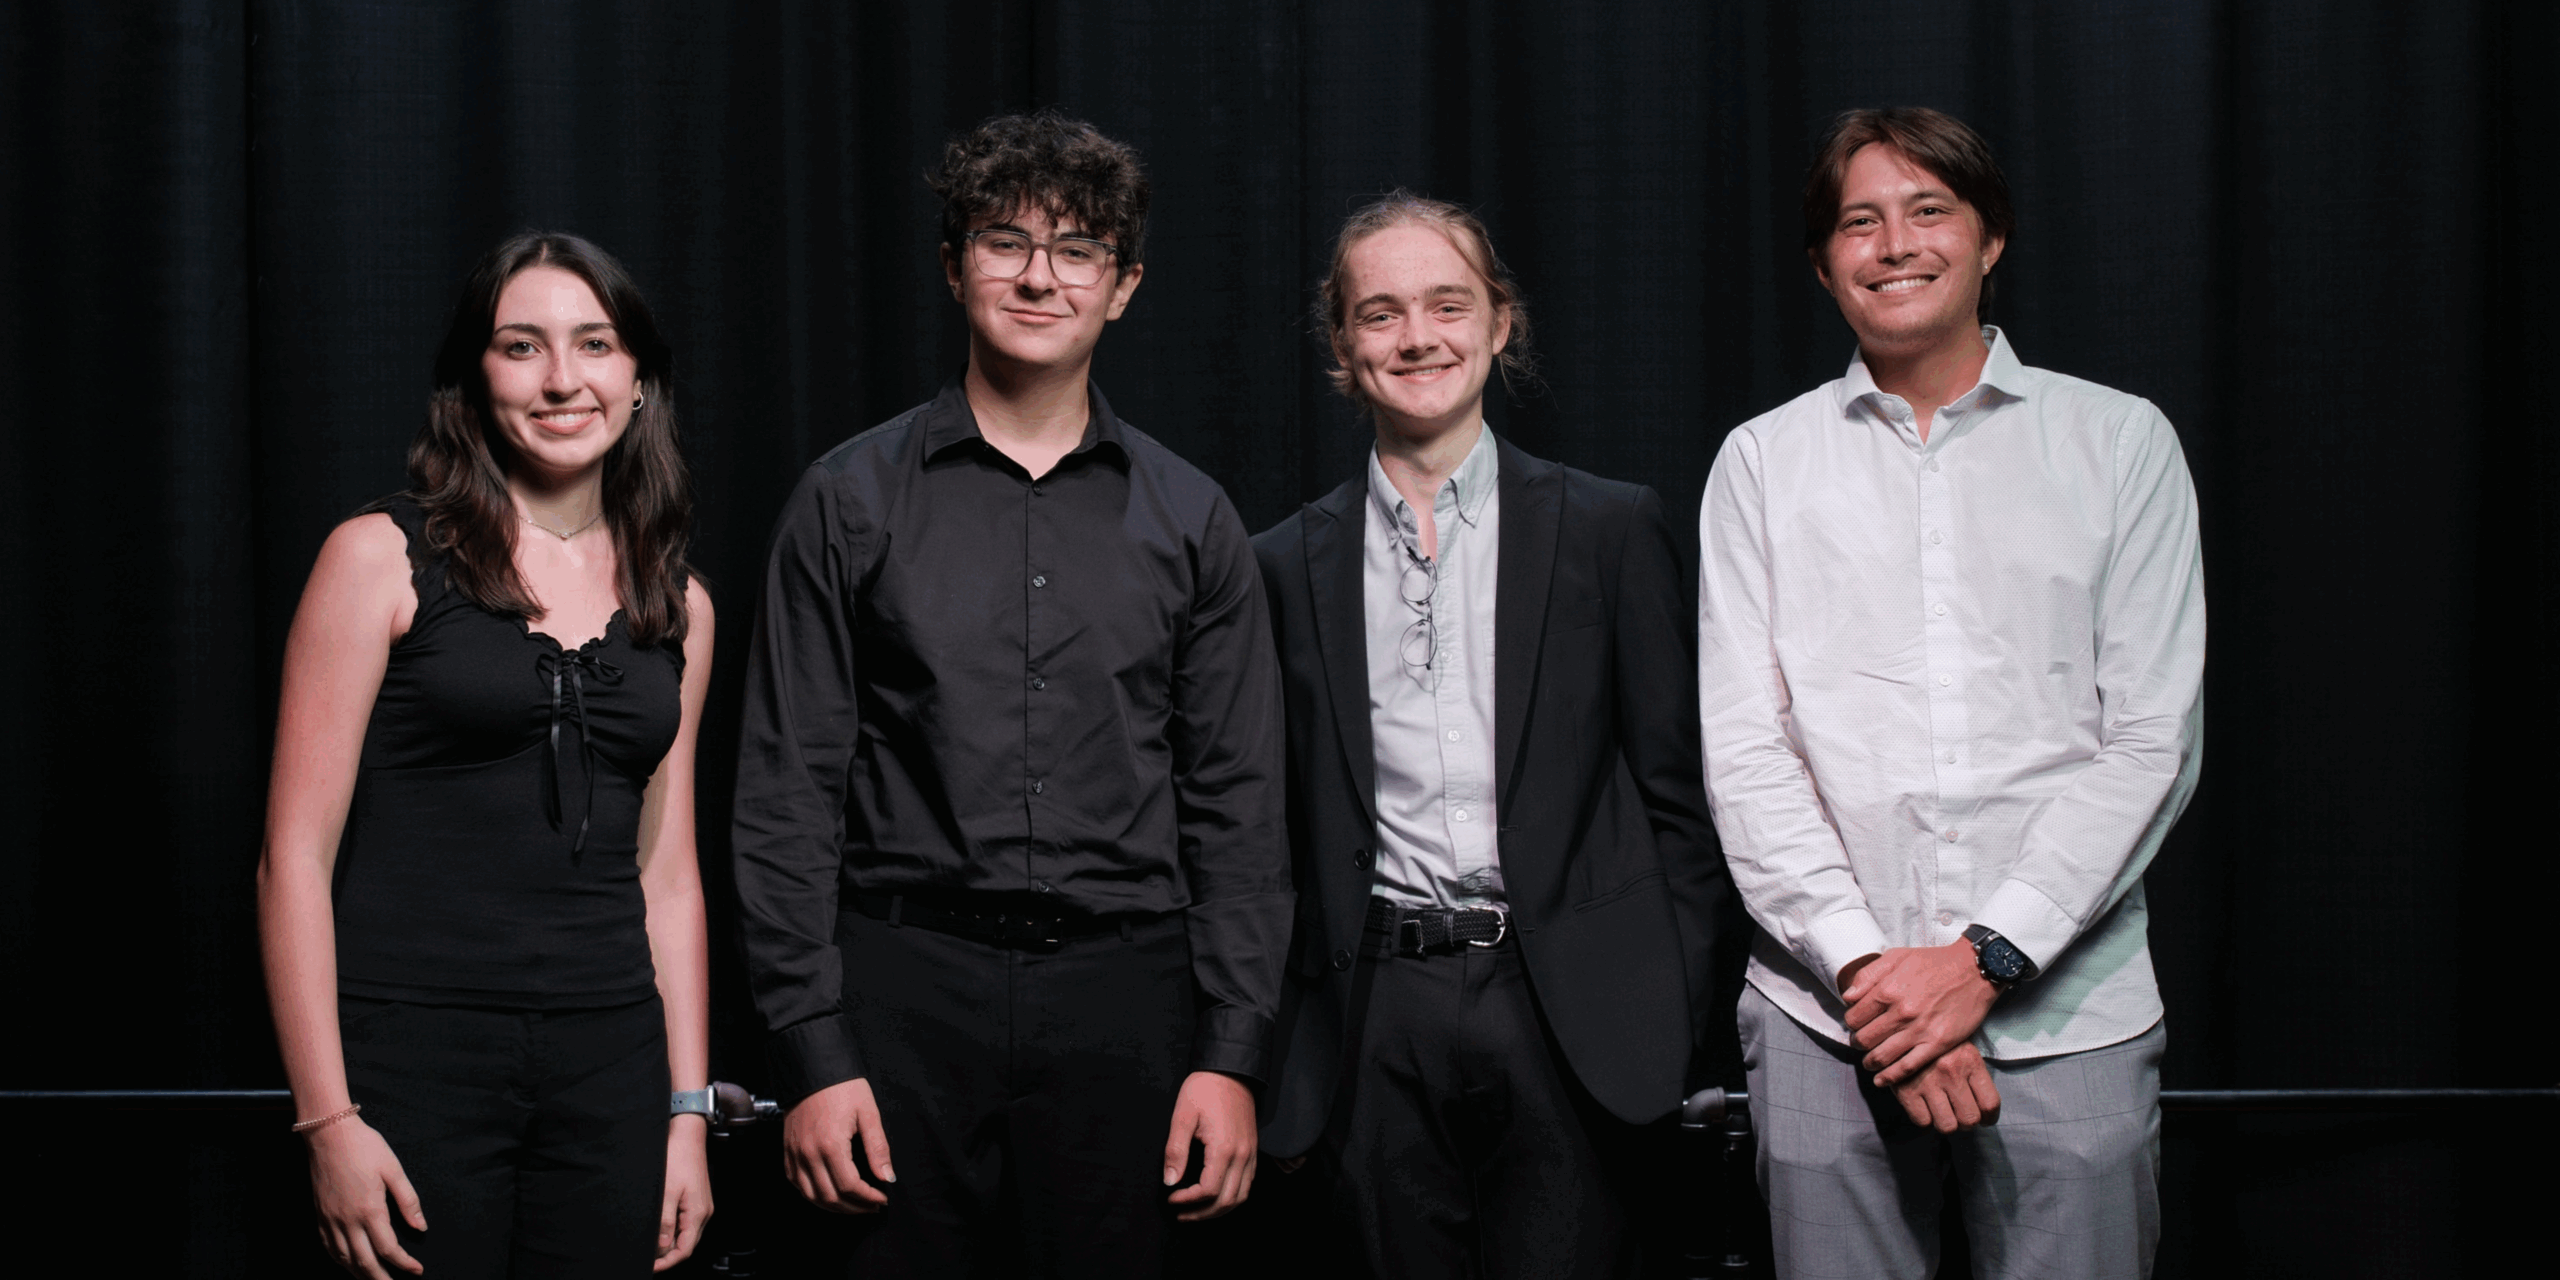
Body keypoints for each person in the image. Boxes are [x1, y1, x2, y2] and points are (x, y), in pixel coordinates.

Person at [731, 110, 1291, 1278]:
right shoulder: (846, 501)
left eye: (1078, 248)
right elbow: (787, 792)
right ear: (953, 265)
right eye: (1004, 240)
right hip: (898, 998)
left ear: (1122, 286)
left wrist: (1231, 1054)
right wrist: (812, 1051)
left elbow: (1238, 808)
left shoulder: (1193, 520)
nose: (1040, 274)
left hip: (1129, 1004)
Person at [1697, 106, 2204, 1279]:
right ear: (1824, 265)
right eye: (1858, 222)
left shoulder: (2120, 443)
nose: (1894, 244)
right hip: (1829, 1024)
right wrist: (1880, 984)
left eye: (1928, 210)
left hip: (2069, 1020)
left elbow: (2148, 743)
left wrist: (1983, 961)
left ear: (1991, 240)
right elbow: (1745, 749)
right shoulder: (1762, 462)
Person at [1250, 191, 1725, 1278]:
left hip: (1569, 1011)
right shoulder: (1277, 563)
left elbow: (1677, 801)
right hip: (1370, 1012)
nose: (1417, 336)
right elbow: (1261, 824)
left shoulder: (1608, 529)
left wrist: (1663, 1006)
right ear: (1341, 344)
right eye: (1379, 313)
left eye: (1447, 303)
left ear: (1499, 321)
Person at [258, 232, 716, 1279]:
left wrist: (687, 1116)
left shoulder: (678, 602)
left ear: (637, 378)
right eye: (522, 346)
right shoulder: (376, 555)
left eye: (595, 344)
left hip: (613, 1066)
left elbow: (670, 878)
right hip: (412, 1058)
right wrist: (328, 1120)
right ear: (474, 376)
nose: (563, 378)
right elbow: (292, 856)